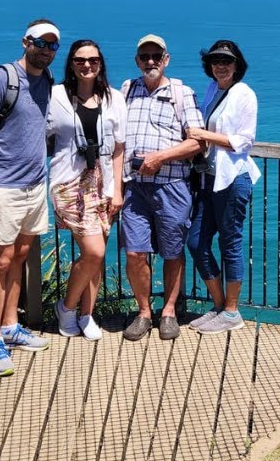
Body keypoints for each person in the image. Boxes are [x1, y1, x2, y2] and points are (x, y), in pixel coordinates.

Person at [0, 19, 58, 376]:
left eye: (52, 45)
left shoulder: (47, 80)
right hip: (3, 187)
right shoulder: (2, 79)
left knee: (21, 255)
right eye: (40, 42)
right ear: (26, 42)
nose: (46, 50)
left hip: (35, 184)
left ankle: (10, 326)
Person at [118, 34, 204, 341]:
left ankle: (167, 312)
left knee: (172, 252)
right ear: (137, 61)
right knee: (135, 253)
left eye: (157, 56)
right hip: (136, 186)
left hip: (172, 186)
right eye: (145, 56)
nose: (151, 61)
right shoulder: (126, 91)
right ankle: (144, 313)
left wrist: (160, 157)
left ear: (166, 59)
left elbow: (197, 141)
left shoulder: (182, 93)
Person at [47, 40, 125, 341]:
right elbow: (33, 131)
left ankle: (86, 314)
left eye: (93, 60)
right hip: (69, 181)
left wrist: (117, 190)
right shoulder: (55, 96)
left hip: (103, 182)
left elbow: (119, 148)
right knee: (94, 251)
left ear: (101, 63)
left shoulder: (113, 98)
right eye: (80, 60)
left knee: (97, 255)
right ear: (71, 64)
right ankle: (67, 307)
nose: (87, 65)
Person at [186, 40, 260, 334]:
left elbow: (244, 141)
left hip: (232, 179)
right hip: (209, 179)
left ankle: (231, 312)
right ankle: (220, 306)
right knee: (196, 242)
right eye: (216, 60)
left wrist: (202, 134)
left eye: (226, 61)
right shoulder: (212, 90)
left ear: (236, 64)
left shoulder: (244, 94)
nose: (221, 65)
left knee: (230, 244)